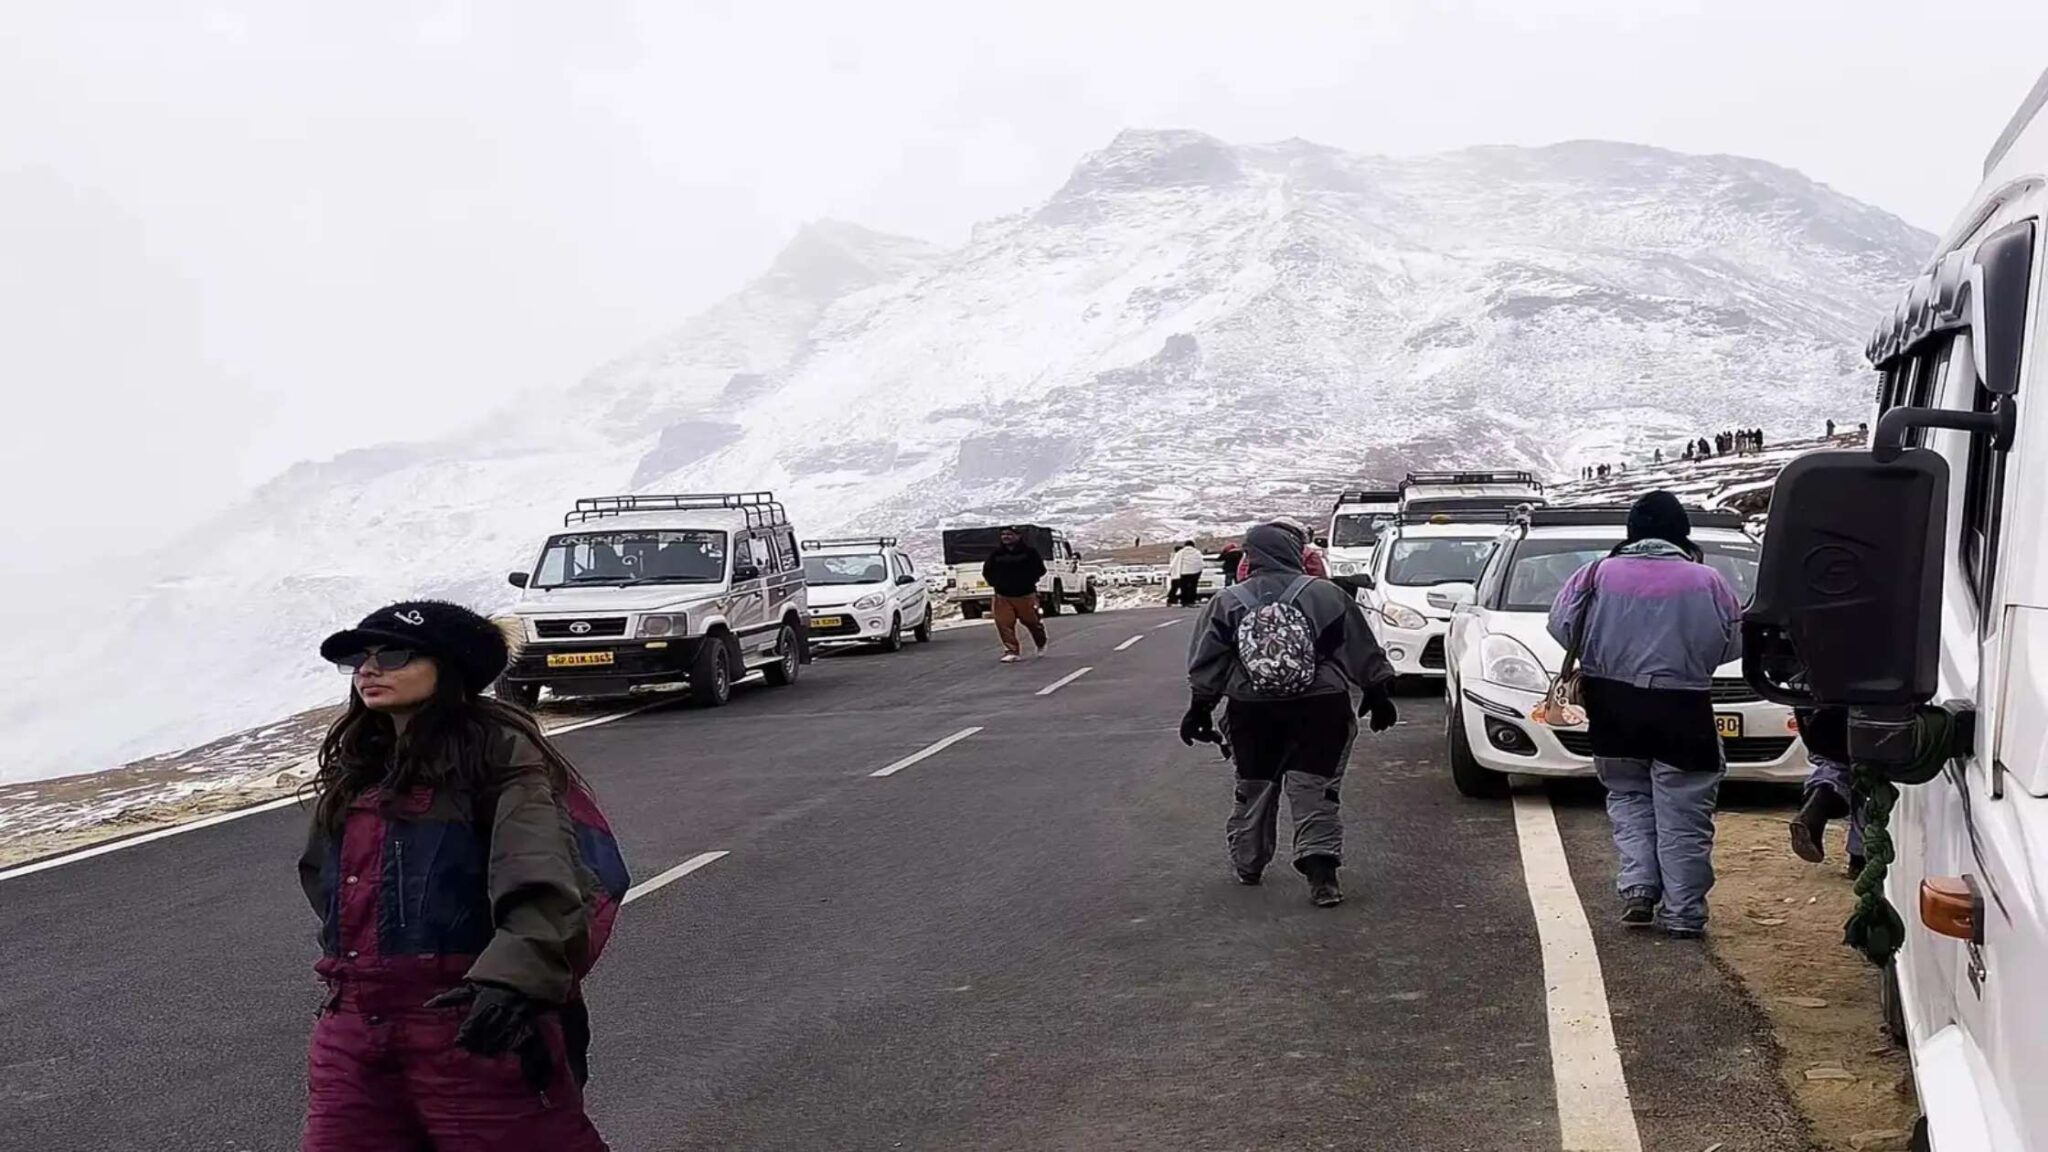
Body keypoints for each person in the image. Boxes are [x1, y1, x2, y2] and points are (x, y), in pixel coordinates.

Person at [302, 600, 625, 1151]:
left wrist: (513, 982)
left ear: (450, 667)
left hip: (473, 1020)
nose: (369, 670)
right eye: (360, 657)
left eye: (395, 654)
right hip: (355, 1022)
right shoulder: (360, 764)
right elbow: (326, 885)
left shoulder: (500, 758)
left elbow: (559, 878)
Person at [1548, 492, 1742, 939]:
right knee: (1684, 813)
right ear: (1682, 534)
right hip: (1683, 705)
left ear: (1631, 533)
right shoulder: (1708, 581)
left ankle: (1638, 887)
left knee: (1628, 797)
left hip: (1611, 706)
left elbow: (1561, 627)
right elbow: (1734, 642)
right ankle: (1684, 912)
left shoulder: (1593, 574)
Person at [1182, 523, 1397, 907]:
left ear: (1253, 555)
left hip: (1251, 710)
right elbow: (1361, 648)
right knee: (1316, 787)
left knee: (1255, 785)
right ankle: (1322, 875)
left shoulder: (1227, 601)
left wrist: (1199, 710)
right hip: (1321, 707)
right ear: (1294, 552)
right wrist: (1377, 693)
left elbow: (1208, 662)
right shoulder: (1326, 594)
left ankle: (1249, 863)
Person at [1789, 706, 1865, 875]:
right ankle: (1859, 856)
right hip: (1869, 713)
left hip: (1816, 716)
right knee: (1868, 774)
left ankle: (1818, 801)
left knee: (1832, 763)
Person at [983, 527, 1049, 662]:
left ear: (1018, 536)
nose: (1006, 537)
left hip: (1025, 594)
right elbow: (987, 571)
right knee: (1004, 623)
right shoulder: (996, 554)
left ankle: (1040, 642)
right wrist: (996, 583)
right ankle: (1011, 651)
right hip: (1003, 595)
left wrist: (1029, 580)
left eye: (1009, 534)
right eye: (1003, 534)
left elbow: (1040, 570)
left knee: (1032, 622)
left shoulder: (1029, 553)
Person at [1167, 540, 1206, 606]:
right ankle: (1191, 601)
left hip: (1184, 572)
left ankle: (1184, 602)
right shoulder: (1197, 552)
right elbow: (1201, 563)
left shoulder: (1181, 552)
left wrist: (1171, 571)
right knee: (1193, 587)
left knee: (1184, 587)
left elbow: (1174, 563)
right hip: (1194, 573)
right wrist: (1199, 571)